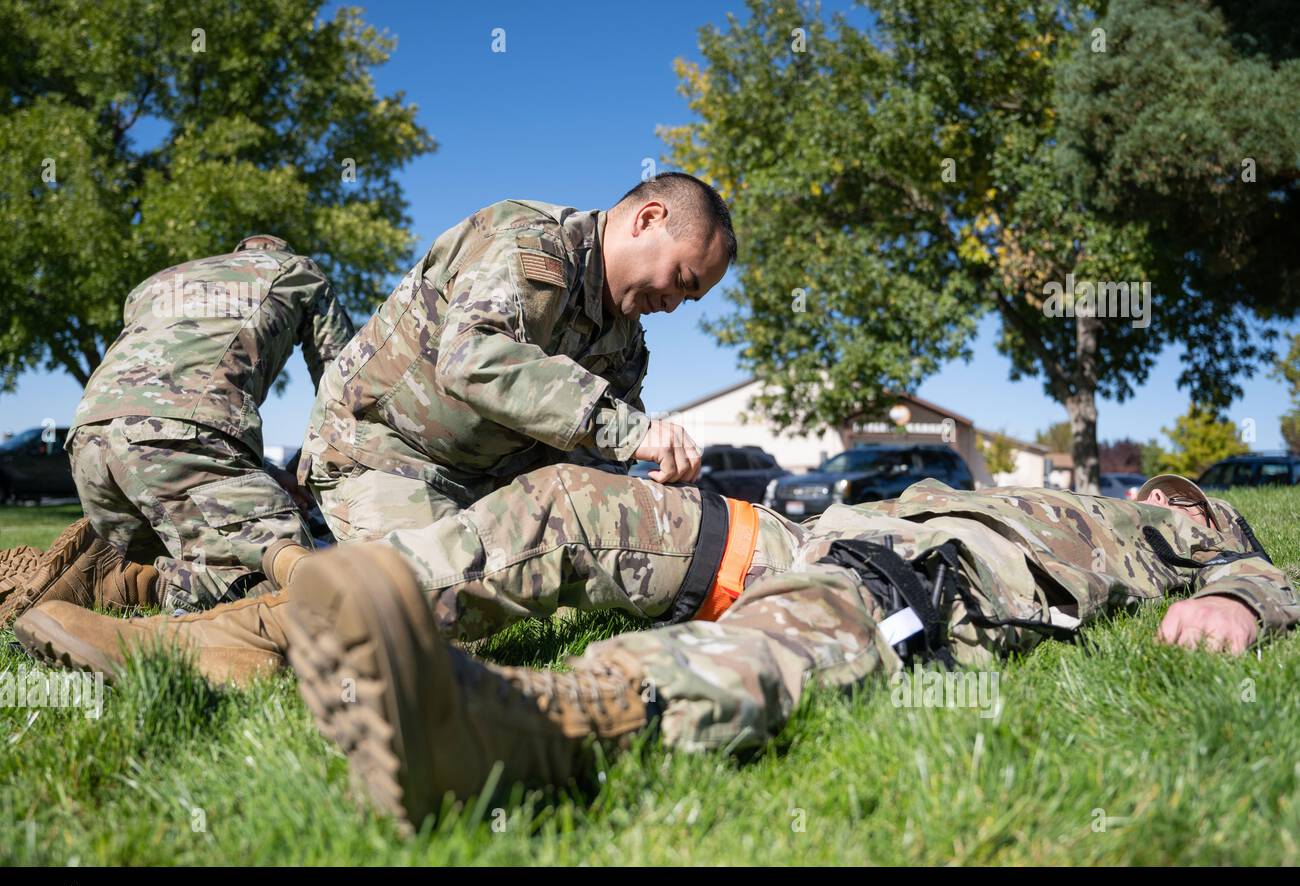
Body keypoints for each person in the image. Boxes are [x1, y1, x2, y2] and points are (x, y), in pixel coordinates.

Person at [15, 466, 1295, 828]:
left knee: (827, 619)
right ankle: (222, 641)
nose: (1169, 487)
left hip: (911, 570)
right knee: (567, 504)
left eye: (1187, 493)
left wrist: (1235, 600)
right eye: (1163, 482)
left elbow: (1264, 573)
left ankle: (546, 719)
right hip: (811, 519)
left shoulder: (1179, 536)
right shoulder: (1065, 474)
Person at [298, 172, 734, 542]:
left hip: (485, 484)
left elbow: (597, 464)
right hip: (383, 454)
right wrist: (627, 429)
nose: (672, 304)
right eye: (680, 278)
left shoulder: (625, 341)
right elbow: (474, 358)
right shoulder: (530, 243)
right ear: (649, 219)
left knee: (579, 604)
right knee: (435, 606)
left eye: (688, 299)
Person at [26, 235, 354, 616]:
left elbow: (155, 401)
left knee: (197, 539)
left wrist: (269, 475)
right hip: (178, 442)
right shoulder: (298, 271)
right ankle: (161, 596)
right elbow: (345, 386)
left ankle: (121, 570)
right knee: (286, 576)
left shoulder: (154, 283)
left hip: (88, 447)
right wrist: (312, 474)